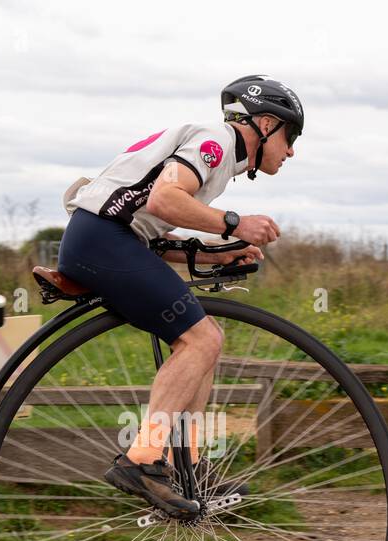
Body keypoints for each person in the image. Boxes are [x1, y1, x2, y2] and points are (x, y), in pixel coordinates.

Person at [57, 75, 304, 518]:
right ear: (266, 123)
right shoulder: (217, 143)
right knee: (202, 339)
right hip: (100, 239)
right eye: (291, 136)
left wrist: (215, 253)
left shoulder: (217, 157)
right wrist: (235, 224)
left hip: (108, 239)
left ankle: (183, 461)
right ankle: (144, 459)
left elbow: (151, 229)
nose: (291, 151)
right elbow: (164, 200)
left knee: (199, 345)